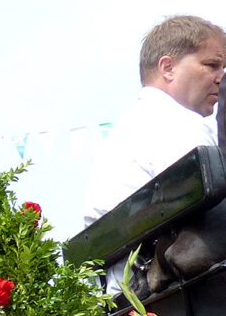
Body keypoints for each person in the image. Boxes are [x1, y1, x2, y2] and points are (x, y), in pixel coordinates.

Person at [84, 15, 226, 223]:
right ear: (168, 68)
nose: (221, 77)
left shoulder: (137, 122)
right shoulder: (171, 122)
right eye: (212, 65)